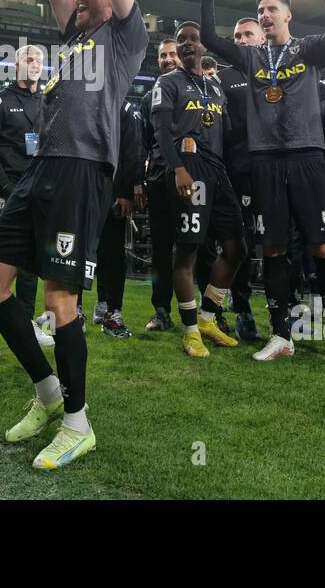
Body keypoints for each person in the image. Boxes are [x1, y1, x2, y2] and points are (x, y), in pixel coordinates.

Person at [0, 0, 149, 471]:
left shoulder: (125, 34)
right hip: (44, 167)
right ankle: (48, 392)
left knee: (59, 301)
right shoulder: (72, 32)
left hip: (83, 170)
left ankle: (78, 423)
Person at [200, 0, 325, 364]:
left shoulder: (307, 48)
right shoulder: (251, 57)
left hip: (308, 156)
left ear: (288, 16)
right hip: (265, 162)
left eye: (272, 9)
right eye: (261, 10)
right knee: (273, 249)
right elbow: (208, 39)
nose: (266, 15)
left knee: (323, 247)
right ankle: (281, 335)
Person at [149, 20, 247, 358]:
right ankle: (190, 331)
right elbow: (161, 131)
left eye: (194, 39)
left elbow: (228, 133)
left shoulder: (216, 88)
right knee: (188, 249)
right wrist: (178, 168)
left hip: (217, 171)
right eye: (182, 40)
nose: (188, 44)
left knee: (237, 248)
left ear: (205, 47)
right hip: (188, 169)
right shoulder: (168, 82)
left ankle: (207, 318)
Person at [0, 45, 50, 357]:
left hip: (38, 191)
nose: (34, 65)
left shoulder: (46, 101)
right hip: (10, 191)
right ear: (15, 64)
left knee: (31, 262)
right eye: (28, 60)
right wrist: (5, 186)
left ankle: (29, 322)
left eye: (39, 61)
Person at [220, 17, 266, 343]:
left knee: (280, 243)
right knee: (239, 241)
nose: (242, 39)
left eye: (248, 33)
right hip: (235, 172)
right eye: (237, 35)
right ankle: (242, 307)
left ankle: (284, 307)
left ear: (262, 37)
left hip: (273, 170)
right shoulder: (223, 78)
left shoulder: (278, 73)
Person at [92, 100, 144, 337]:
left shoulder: (123, 107)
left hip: (112, 193)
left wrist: (126, 192)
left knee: (112, 254)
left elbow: (132, 151)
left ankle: (112, 310)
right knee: (85, 253)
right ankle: (81, 309)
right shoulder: (85, 102)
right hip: (85, 189)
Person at [139, 38, 181, 332]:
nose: (167, 59)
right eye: (163, 55)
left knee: (199, 247)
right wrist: (138, 182)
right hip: (158, 180)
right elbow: (142, 145)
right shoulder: (147, 99)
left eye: (173, 54)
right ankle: (162, 310)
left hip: (194, 179)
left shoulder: (198, 91)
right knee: (161, 249)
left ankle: (208, 313)